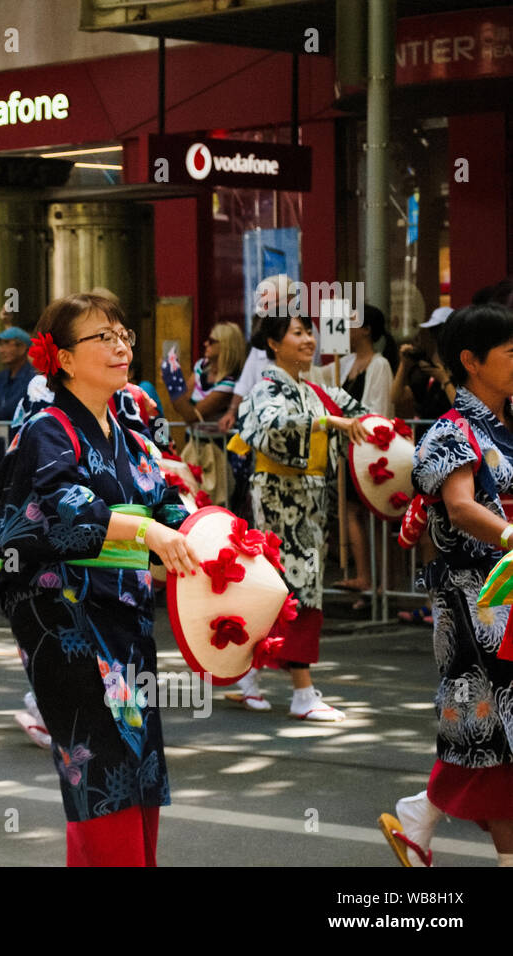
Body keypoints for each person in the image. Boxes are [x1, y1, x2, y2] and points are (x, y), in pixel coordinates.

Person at [0, 293, 199, 866]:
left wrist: (217, 542)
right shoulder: (46, 429)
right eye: (101, 337)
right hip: (63, 620)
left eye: (123, 332)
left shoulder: (131, 439)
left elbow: (172, 506)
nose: (120, 344)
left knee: (137, 760)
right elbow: (69, 506)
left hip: (124, 616)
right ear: (62, 358)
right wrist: (149, 536)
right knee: (99, 761)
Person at [379, 303, 513, 869]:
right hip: (475, 599)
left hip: (506, 588)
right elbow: (460, 509)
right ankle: (422, 819)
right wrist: (510, 532)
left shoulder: (508, 424)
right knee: (492, 727)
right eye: (510, 352)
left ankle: (419, 819)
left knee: (488, 730)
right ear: (471, 361)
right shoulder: (449, 431)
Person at [226, 311, 368, 720]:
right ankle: (302, 693)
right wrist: (328, 421)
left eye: (310, 332)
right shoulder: (266, 388)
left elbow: (362, 416)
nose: (309, 339)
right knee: (296, 590)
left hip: (310, 500)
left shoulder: (316, 389)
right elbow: (273, 425)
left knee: (280, 590)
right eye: (298, 332)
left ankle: (246, 676)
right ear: (273, 343)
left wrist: (376, 430)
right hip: (278, 500)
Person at [309, 304, 397, 600]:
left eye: (351, 323)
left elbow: (378, 409)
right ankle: (366, 578)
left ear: (367, 329)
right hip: (349, 451)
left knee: (373, 515)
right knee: (352, 512)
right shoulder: (343, 364)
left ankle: (381, 582)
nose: (345, 328)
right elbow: (318, 379)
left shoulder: (379, 364)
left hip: (371, 451)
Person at [391, 307, 454, 421]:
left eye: (440, 330)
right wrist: (403, 364)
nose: (436, 337)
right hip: (425, 434)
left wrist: (444, 379)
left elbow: (463, 409)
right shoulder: (427, 373)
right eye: (433, 331)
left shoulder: (463, 370)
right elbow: (396, 397)